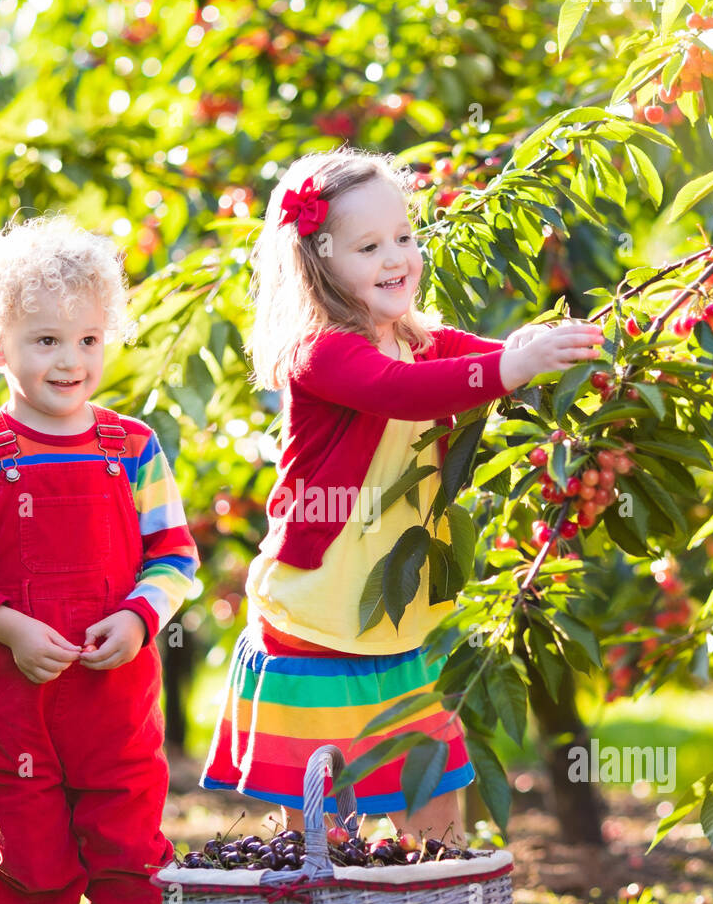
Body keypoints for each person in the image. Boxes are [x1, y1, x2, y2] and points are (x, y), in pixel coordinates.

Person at [202, 147, 604, 843]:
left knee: (436, 806)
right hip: (317, 618)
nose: (397, 258)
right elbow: (403, 393)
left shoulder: (411, 337)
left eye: (405, 238)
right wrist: (515, 365)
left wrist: (544, 354)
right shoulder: (321, 351)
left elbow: (468, 357)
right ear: (318, 260)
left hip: (400, 621)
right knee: (322, 824)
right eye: (369, 246)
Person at [0, 214, 199, 904]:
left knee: (130, 840)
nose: (70, 360)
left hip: (113, 694)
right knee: (31, 846)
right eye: (45, 341)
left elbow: (175, 559)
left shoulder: (134, 448)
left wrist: (140, 618)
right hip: (11, 699)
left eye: (88, 340)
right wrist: (4, 624)